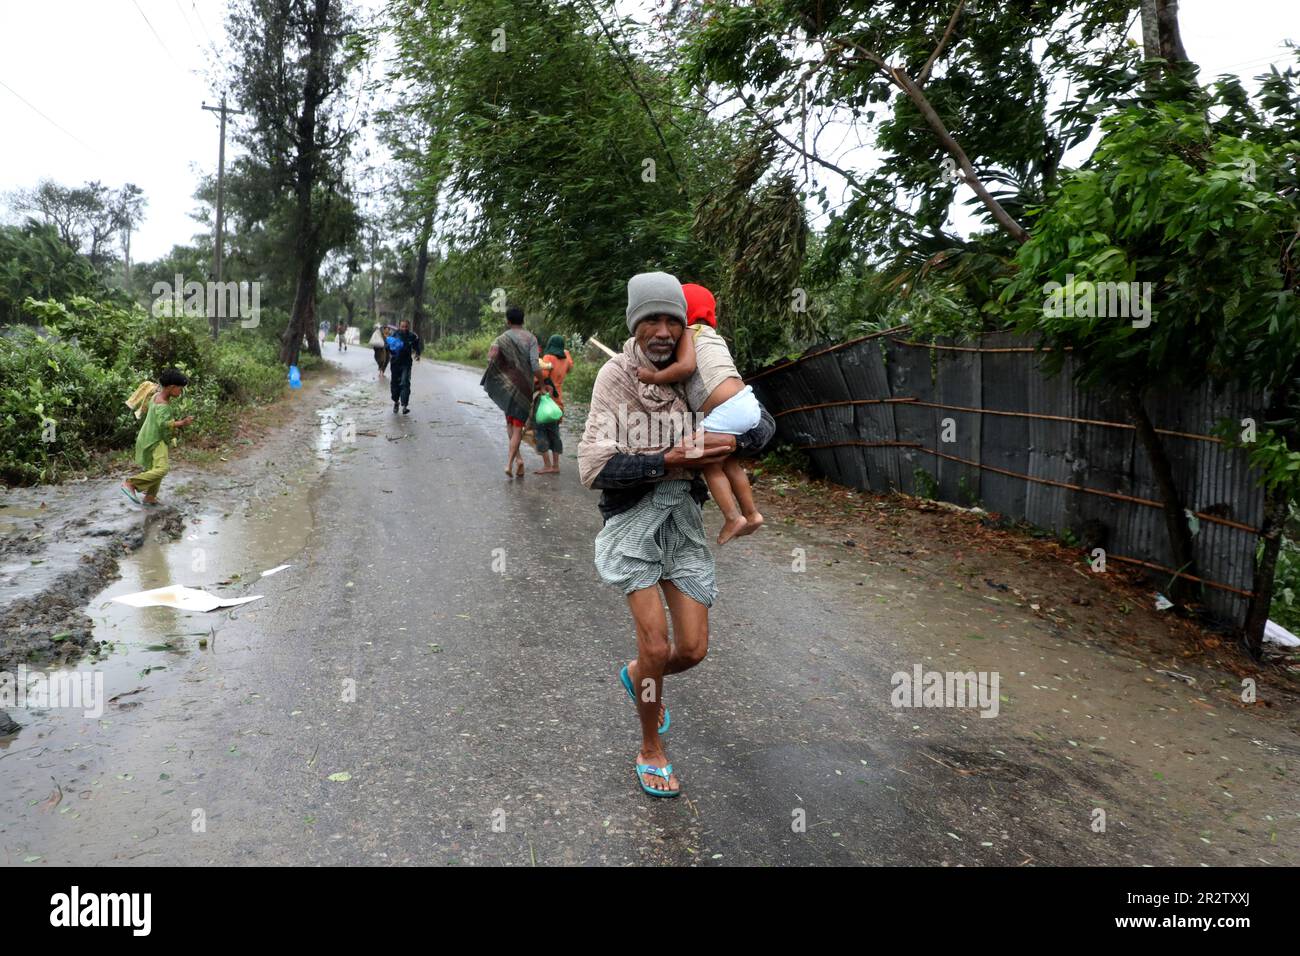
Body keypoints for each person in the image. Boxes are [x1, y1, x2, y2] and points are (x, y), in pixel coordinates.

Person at [578, 271, 773, 798]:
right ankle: (650, 749)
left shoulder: (696, 372)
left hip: (683, 522)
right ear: (634, 324)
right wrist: (667, 459)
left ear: (684, 324)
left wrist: (741, 435)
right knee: (657, 645)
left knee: (691, 650)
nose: (662, 330)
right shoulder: (616, 378)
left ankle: (638, 675)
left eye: (671, 319)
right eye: (651, 320)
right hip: (631, 520)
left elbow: (762, 427)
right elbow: (594, 465)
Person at [635, 283, 765, 545]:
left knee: (704, 459)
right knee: (729, 461)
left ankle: (732, 517)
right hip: (747, 403)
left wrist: (654, 376)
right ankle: (751, 514)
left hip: (724, 409)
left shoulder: (688, 333)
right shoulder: (713, 336)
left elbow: (685, 367)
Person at [480, 305, 540, 478]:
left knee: (510, 424)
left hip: (507, 388)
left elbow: (490, 359)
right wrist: (542, 383)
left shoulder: (500, 339)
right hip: (525, 388)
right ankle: (510, 463)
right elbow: (535, 365)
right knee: (517, 426)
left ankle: (518, 460)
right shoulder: (531, 339)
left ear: (508, 321)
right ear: (523, 320)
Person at [120, 368, 195, 507]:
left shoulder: (156, 396)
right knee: (162, 469)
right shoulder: (163, 405)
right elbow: (164, 425)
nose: (181, 392)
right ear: (172, 387)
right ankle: (131, 483)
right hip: (155, 440)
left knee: (156, 468)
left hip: (146, 436)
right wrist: (182, 423)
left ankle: (150, 497)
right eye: (180, 388)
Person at [534, 334, 573, 475]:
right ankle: (556, 465)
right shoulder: (566, 359)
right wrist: (566, 352)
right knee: (555, 433)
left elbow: (542, 376)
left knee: (540, 431)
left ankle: (547, 465)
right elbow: (570, 364)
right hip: (558, 401)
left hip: (545, 399)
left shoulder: (548, 358)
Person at [385, 319, 422, 413]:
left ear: (408, 327)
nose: (404, 328)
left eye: (406, 326)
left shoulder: (412, 336)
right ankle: (396, 402)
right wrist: (392, 348)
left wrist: (417, 354)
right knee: (395, 383)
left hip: (406, 363)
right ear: (399, 326)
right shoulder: (395, 335)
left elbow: (417, 345)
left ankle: (405, 405)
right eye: (402, 326)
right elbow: (387, 346)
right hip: (395, 363)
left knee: (405, 382)